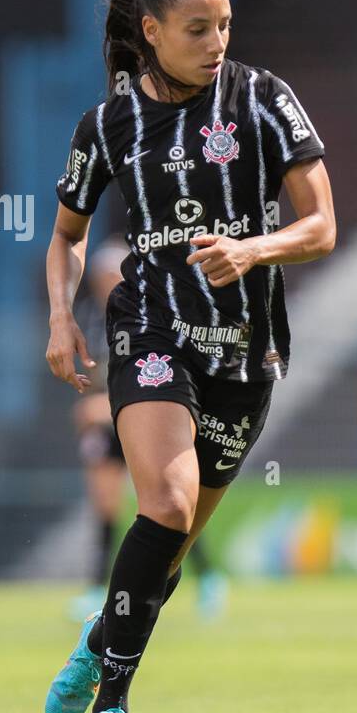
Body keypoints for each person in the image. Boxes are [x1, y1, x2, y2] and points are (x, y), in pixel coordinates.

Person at [43, 0, 336, 713]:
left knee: (166, 553)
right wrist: (63, 318)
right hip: (150, 328)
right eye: (197, 28)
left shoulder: (265, 99)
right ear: (150, 30)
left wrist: (253, 252)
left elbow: (322, 226)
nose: (217, 42)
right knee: (165, 506)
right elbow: (66, 238)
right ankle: (113, 711)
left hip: (244, 349)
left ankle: (102, 638)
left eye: (226, 25)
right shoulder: (107, 124)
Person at [68, 243, 227, 624]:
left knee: (169, 502)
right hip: (111, 421)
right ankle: (95, 587)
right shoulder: (93, 316)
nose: (103, 282)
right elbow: (94, 375)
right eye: (99, 277)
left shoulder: (156, 310)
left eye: (109, 275)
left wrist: (104, 407)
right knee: (105, 504)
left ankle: (207, 578)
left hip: (148, 417)